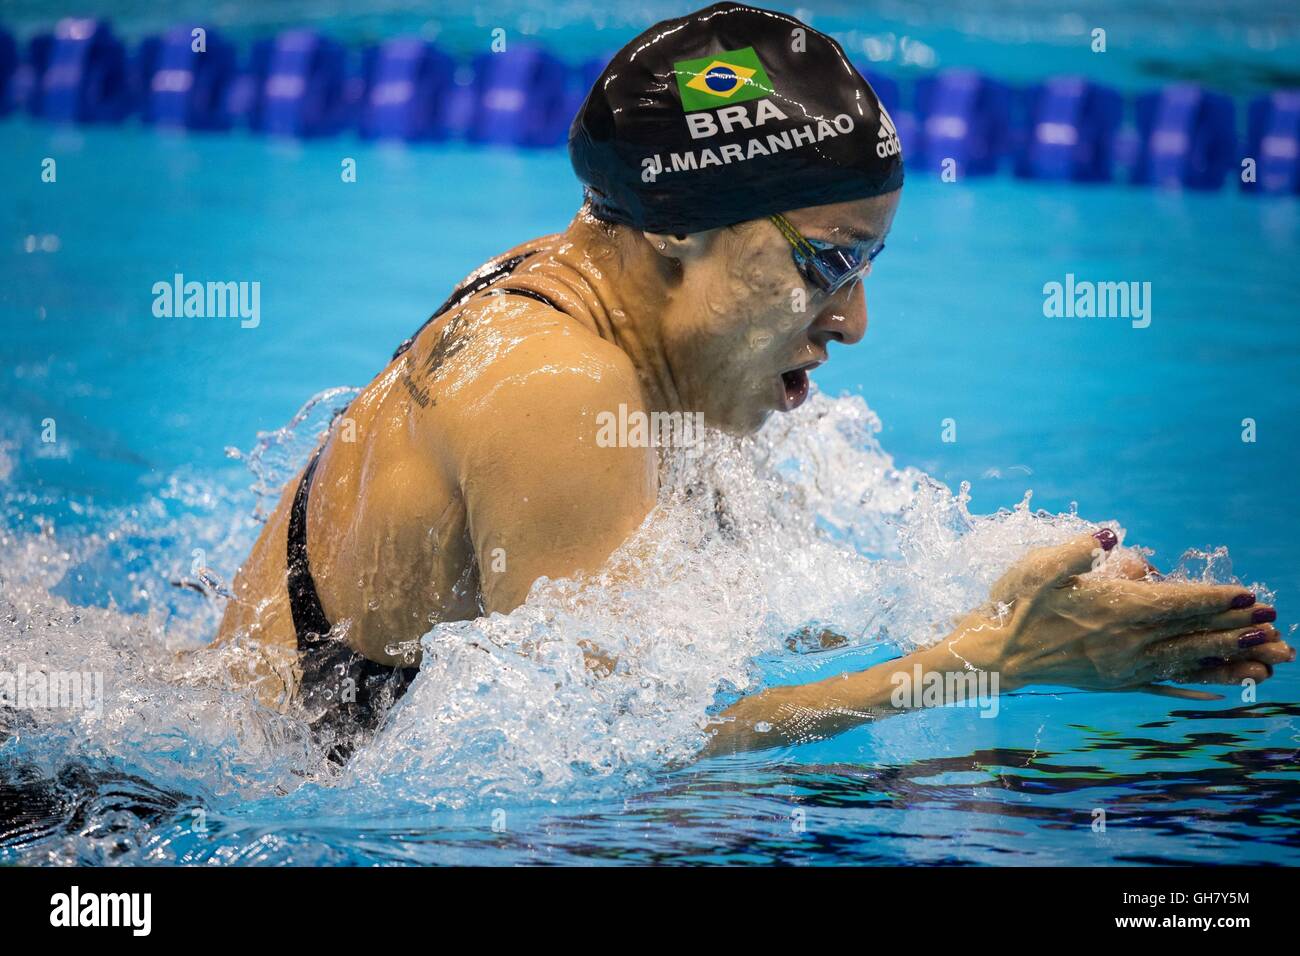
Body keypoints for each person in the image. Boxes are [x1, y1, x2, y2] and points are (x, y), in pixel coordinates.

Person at [212, 3, 1290, 759]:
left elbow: (695, 629)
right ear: (682, 228)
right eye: (826, 262)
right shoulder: (554, 383)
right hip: (191, 811)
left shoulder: (607, 302)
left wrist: (995, 600)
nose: (853, 321)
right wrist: (993, 661)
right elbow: (609, 753)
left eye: (866, 267)